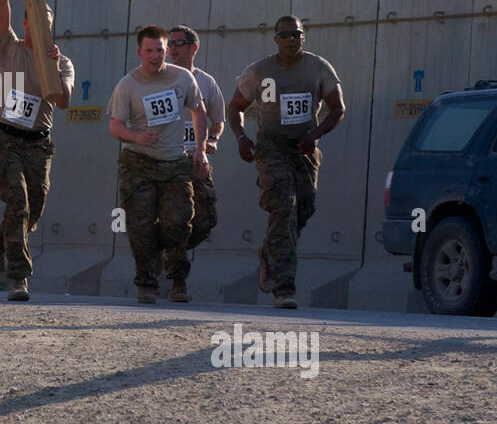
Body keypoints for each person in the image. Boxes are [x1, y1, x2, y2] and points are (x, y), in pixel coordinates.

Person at [226, 15, 345, 309]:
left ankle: (270, 253)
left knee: (303, 208)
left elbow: (337, 109)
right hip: (271, 148)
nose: (292, 40)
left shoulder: (318, 68)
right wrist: (241, 137)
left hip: (304, 149)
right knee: (284, 210)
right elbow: (235, 107)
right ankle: (284, 287)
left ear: (304, 37)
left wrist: (315, 134)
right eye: (286, 35)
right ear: (275, 38)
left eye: (297, 35)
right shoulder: (260, 72)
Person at [0, 0, 75, 302]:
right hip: (5, 136)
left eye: (46, 21)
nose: (39, 26)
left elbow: (65, 101)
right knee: (17, 202)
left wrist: (52, 68)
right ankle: (18, 278)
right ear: (25, 24)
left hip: (38, 142)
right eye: (34, 19)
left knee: (32, 209)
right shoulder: (9, 47)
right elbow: (0, 0)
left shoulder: (61, 61)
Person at [108, 26, 209, 303]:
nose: (155, 56)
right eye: (149, 51)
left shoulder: (182, 77)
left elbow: (199, 112)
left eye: (160, 50)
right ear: (140, 52)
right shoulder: (128, 85)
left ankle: (178, 282)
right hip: (137, 162)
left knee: (178, 223)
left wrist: (200, 150)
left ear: (167, 51)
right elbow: (115, 127)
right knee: (141, 226)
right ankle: (147, 284)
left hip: (174, 163)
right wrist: (136, 136)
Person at [166, 25, 226, 297]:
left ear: (194, 47)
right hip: (166, 161)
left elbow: (219, 120)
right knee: (178, 220)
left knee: (206, 218)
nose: (173, 48)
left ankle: (168, 247)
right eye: (170, 43)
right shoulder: (156, 78)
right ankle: (178, 283)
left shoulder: (206, 82)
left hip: (196, 159)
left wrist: (212, 139)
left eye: (179, 43)